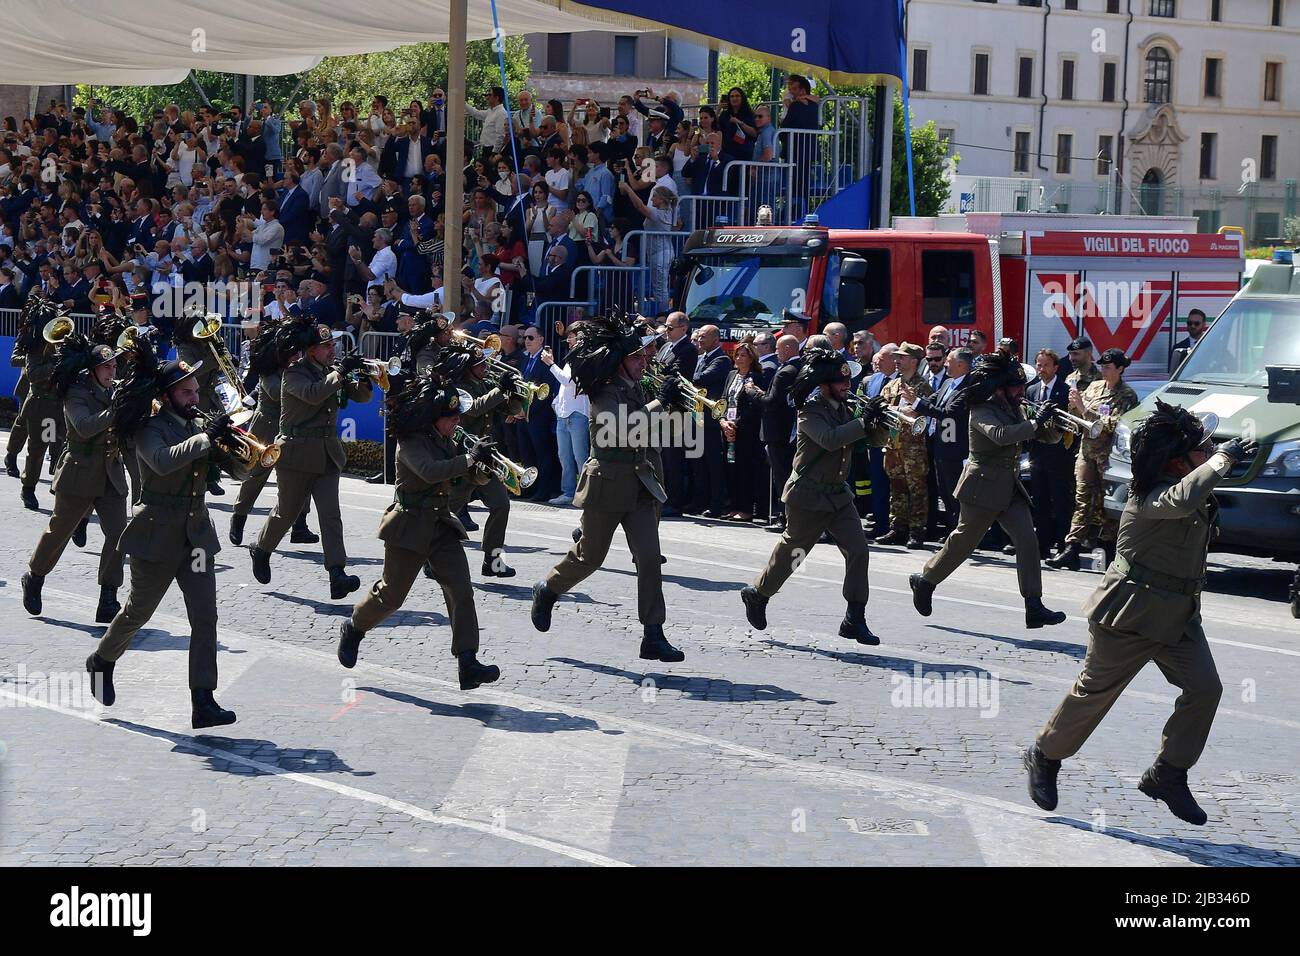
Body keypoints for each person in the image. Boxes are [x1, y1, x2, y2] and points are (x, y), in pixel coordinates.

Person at [1025, 402, 1255, 826]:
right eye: (1200, 449)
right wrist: (1223, 460)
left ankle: (1167, 774)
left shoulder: (1188, 484)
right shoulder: (1149, 496)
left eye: (1208, 449)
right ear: (1174, 461)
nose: (1209, 452)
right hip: (1127, 616)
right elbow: (1181, 501)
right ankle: (1045, 754)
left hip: (1178, 616)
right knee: (1093, 695)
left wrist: (1230, 459)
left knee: (1205, 689)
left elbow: (1198, 493)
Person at [85, 358, 252, 728]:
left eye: (196, 391)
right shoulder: (149, 429)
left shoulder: (199, 425)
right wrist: (206, 438)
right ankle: (102, 660)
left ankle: (203, 701)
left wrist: (238, 441)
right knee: (138, 612)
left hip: (195, 535)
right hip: (157, 531)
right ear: (167, 395)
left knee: (205, 617)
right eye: (186, 392)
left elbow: (241, 470)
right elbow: (161, 462)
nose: (194, 398)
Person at [530, 314, 686, 663]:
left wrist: (674, 405)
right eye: (637, 358)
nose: (644, 362)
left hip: (640, 484)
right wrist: (661, 402)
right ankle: (549, 588)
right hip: (608, 482)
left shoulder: (637, 387)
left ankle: (653, 634)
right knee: (590, 557)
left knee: (649, 559)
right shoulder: (602, 390)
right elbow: (621, 428)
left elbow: (653, 433)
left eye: (646, 357)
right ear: (619, 361)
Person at [337, 370, 501, 690]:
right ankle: (355, 626)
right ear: (433, 417)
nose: (456, 423)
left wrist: (483, 468)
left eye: (456, 417)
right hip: (408, 524)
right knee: (392, 595)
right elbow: (428, 472)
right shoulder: (409, 441)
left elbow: (466, 480)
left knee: (461, 590)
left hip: (440, 523)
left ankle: (467, 662)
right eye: (450, 417)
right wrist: (468, 459)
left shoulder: (447, 440)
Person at [908, 351, 1069, 629]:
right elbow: (1001, 435)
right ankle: (926, 580)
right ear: (1000, 388)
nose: (1022, 391)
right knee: (963, 543)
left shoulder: (1013, 406)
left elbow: (1042, 435)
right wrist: (1034, 422)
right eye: (1016, 387)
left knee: (1027, 540)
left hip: (1009, 485)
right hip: (982, 485)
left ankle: (1034, 605)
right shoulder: (981, 409)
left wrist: (1050, 423)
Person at [741, 348, 882, 645]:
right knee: (794, 554)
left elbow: (865, 439)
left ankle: (854, 618)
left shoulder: (845, 407)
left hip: (838, 493)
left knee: (859, 551)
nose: (848, 386)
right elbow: (831, 440)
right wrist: (862, 421)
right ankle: (759, 593)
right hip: (808, 494)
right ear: (824, 384)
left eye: (848, 381)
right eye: (840, 382)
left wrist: (878, 421)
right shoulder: (810, 409)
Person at [249, 322, 372, 598]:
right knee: (286, 512)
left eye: (333, 345)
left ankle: (337, 573)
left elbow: (361, 397)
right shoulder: (293, 374)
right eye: (326, 346)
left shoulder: (330, 371)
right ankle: (262, 548)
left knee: (331, 515)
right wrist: (340, 372)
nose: (333, 350)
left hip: (326, 453)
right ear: (311, 351)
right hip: (296, 452)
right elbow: (313, 394)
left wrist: (363, 376)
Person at [22, 340, 127, 624]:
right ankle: (35, 576)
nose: (112, 371)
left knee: (119, 533)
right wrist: (118, 409)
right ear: (93, 369)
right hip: (80, 471)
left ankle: (108, 595)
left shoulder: (115, 390)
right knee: (60, 531)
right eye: (107, 366)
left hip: (111, 473)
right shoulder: (75, 392)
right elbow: (83, 427)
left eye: (115, 365)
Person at [1048, 348, 1140, 571]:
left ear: (1120, 369)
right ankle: (1072, 548)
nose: (1103, 370)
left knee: (1107, 505)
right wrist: (1073, 406)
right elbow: (1078, 416)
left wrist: (1084, 410)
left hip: (1109, 458)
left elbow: (1114, 424)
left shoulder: (1127, 395)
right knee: (1082, 499)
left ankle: (1110, 552)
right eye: (1102, 366)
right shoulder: (1095, 386)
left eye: (1108, 367)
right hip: (1087, 452)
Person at [228, 318, 318, 546]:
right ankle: (239, 515)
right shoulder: (270, 373)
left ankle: (300, 525)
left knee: (300, 474)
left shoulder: (299, 370)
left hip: (292, 427)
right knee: (257, 474)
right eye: (294, 353)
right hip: (266, 426)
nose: (298, 356)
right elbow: (282, 396)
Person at [450, 343, 525, 576]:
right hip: (465, 456)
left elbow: (509, 410)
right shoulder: (458, 388)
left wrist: (514, 393)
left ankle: (492, 561)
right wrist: (500, 390)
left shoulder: (484, 383)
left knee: (501, 505)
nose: (485, 366)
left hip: (487, 457)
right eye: (479, 364)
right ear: (467, 368)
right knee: (445, 511)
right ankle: (427, 556)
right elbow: (474, 408)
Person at [876, 342, 932, 548]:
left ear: (914, 361)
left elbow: (927, 414)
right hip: (893, 444)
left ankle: (917, 531)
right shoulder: (891, 385)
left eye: (901, 357)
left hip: (914, 446)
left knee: (917, 488)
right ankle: (897, 527)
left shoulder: (923, 386)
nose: (897, 361)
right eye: (896, 357)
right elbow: (882, 410)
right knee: (896, 486)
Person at [913, 347, 972, 541]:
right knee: (945, 492)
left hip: (956, 450)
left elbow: (947, 413)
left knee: (956, 493)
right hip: (940, 447)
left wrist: (917, 404)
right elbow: (932, 401)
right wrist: (912, 402)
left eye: (949, 360)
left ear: (961, 365)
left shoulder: (967, 388)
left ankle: (960, 532)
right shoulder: (948, 383)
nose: (945, 363)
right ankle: (951, 529)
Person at [16, 301, 67, 510]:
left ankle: (59, 490)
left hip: (59, 406)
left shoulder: (63, 344)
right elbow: (35, 375)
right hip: (41, 407)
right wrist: (56, 362)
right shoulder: (34, 347)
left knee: (60, 451)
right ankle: (28, 487)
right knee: (37, 451)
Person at [1026, 348, 1074, 561]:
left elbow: (1071, 425)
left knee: (1061, 502)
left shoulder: (1065, 390)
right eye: (1039, 364)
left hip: (1058, 455)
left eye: (1046, 365)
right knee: (1040, 501)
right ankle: (1042, 545)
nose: (1041, 369)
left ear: (1056, 367)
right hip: (1037, 454)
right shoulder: (1031, 390)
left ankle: (1063, 545)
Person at [721, 340, 771, 522]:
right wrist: (723, 422)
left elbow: (754, 406)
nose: (739, 358)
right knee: (730, 468)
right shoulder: (731, 375)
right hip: (728, 429)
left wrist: (737, 425)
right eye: (737, 355)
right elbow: (723, 401)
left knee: (745, 470)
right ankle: (734, 506)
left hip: (746, 432)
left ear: (752, 358)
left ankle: (746, 508)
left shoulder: (757, 376)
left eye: (743, 355)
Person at [654, 311, 697, 517]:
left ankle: (675, 501)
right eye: (667, 327)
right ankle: (663, 497)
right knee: (662, 457)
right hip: (662, 408)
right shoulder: (665, 347)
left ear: (683, 328)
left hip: (677, 410)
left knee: (673, 459)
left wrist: (659, 372)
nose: (666, 331)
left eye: (670, 328)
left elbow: (675, 373)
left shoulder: (688, 349)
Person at [542, 323, 590, 506]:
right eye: (569, 336)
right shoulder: (572, 358)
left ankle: (584, 493)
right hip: (564, 413)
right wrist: (557, 403)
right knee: (565, 455)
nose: (568, 340)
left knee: (580, 457)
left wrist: (551, 364)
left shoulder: (584, 357)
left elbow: (567, 380)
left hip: (578, 414)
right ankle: (569, 492)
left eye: (572, 336)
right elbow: (565, 386)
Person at [687, 324, 732, 517]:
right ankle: (700, 501)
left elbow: (702, 378)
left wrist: (687, 377)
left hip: (711, 421)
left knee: (713, 464)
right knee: (697, 463)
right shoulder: (701, 358)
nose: (699, 339)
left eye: (703, 337)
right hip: (697, 417)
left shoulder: (721, 359)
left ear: (715, 339)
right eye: (699, 336)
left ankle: (716, 504)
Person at [760, 334, 801, 533]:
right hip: (787, 432)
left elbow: (771, 401)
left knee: (782, 476)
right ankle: (787, 516)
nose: (776, 352)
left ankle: (785, 518)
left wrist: (753, 393)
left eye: (778, 348)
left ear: (787, 349)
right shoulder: (796, 367)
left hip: (779, 433)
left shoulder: (786, 371)